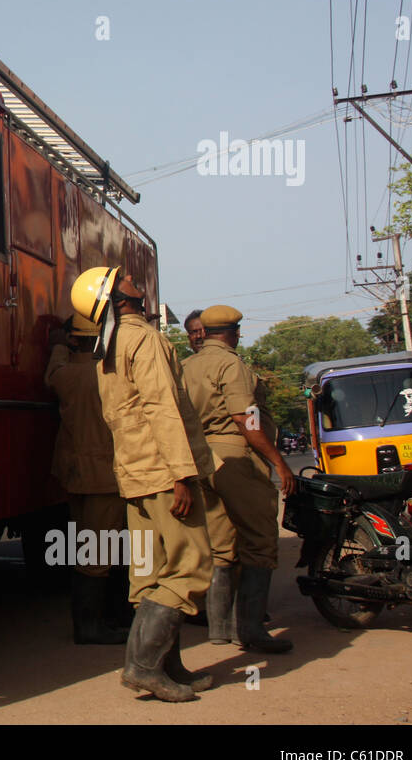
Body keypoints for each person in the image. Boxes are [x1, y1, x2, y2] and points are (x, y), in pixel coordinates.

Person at [72, 266, 214, 702]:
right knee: (190, 564)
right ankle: (144, 667)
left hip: (134, 474)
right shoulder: (146, 339)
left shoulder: (107, 346)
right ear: (119, 299)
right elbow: (162, 408)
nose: (135, 280)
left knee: (150, 573)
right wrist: (181, 475)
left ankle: (167, 667)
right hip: (162, 471)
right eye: (126, 280)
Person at [181, 304, 294, 654]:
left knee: (220, 546)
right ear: (233, 332)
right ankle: (251, 631)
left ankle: (219, 629)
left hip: (200, 459)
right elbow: (246, 419)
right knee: (260, 540)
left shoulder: (186, 366)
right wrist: (278, 462)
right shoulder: (232, 364)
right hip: (234, 457)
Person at [45, 313, 129, 645]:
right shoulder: (109, 375)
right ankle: (92, 626)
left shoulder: (65, 374)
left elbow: (52, 373)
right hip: (104, 476)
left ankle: (95, 622)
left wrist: (58, 347)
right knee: (102, 552)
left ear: (74, 340)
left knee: (85, 547)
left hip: (75, 473)